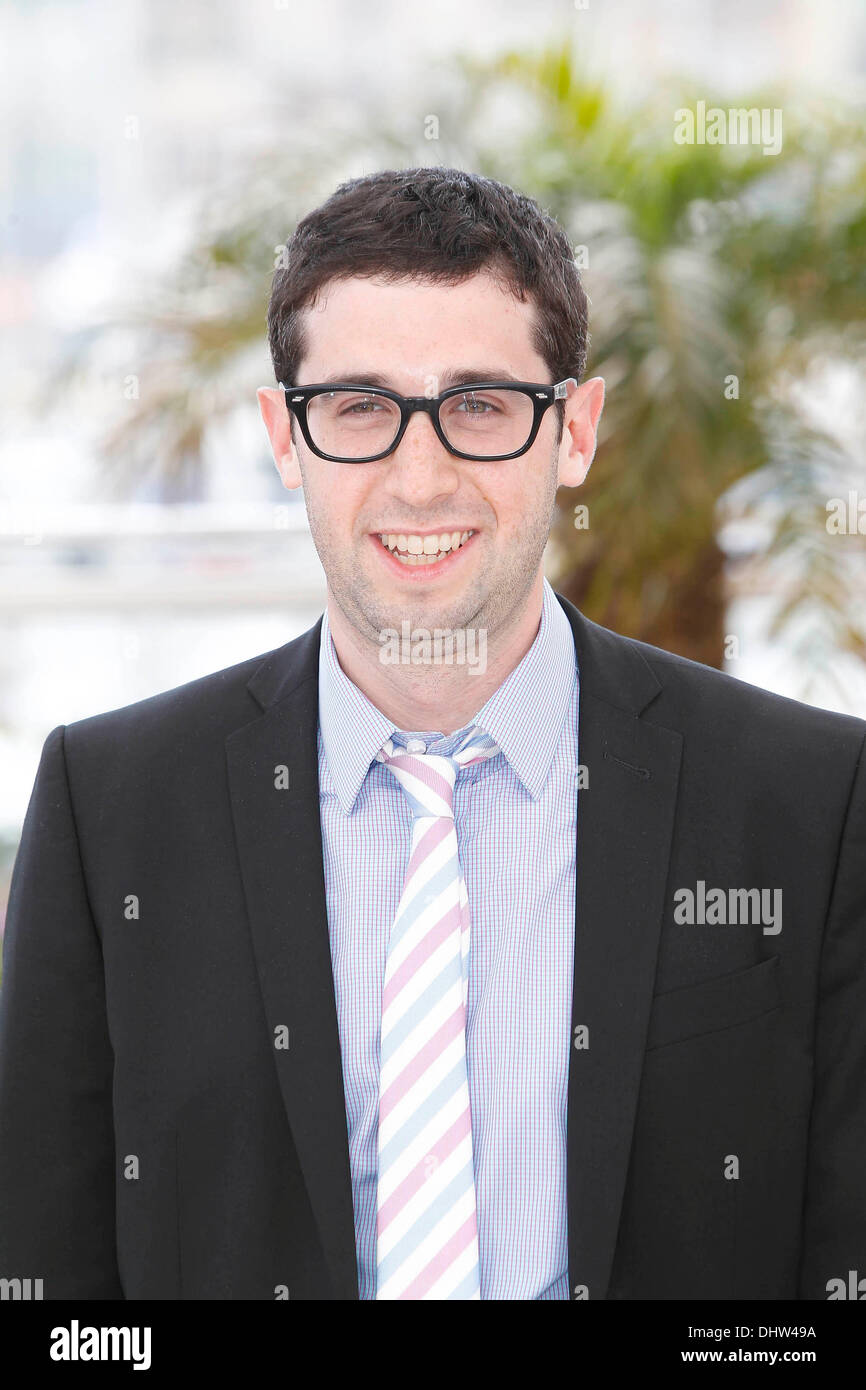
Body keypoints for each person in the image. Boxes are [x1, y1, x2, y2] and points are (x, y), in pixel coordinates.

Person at [0, 166, 864, 1301]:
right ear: (284, 437)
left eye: (478, 406)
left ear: (573, 432)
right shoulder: (106, 806)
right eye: (358, 406)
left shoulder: (808, 799)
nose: (419, 477)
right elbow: (50, 1284)